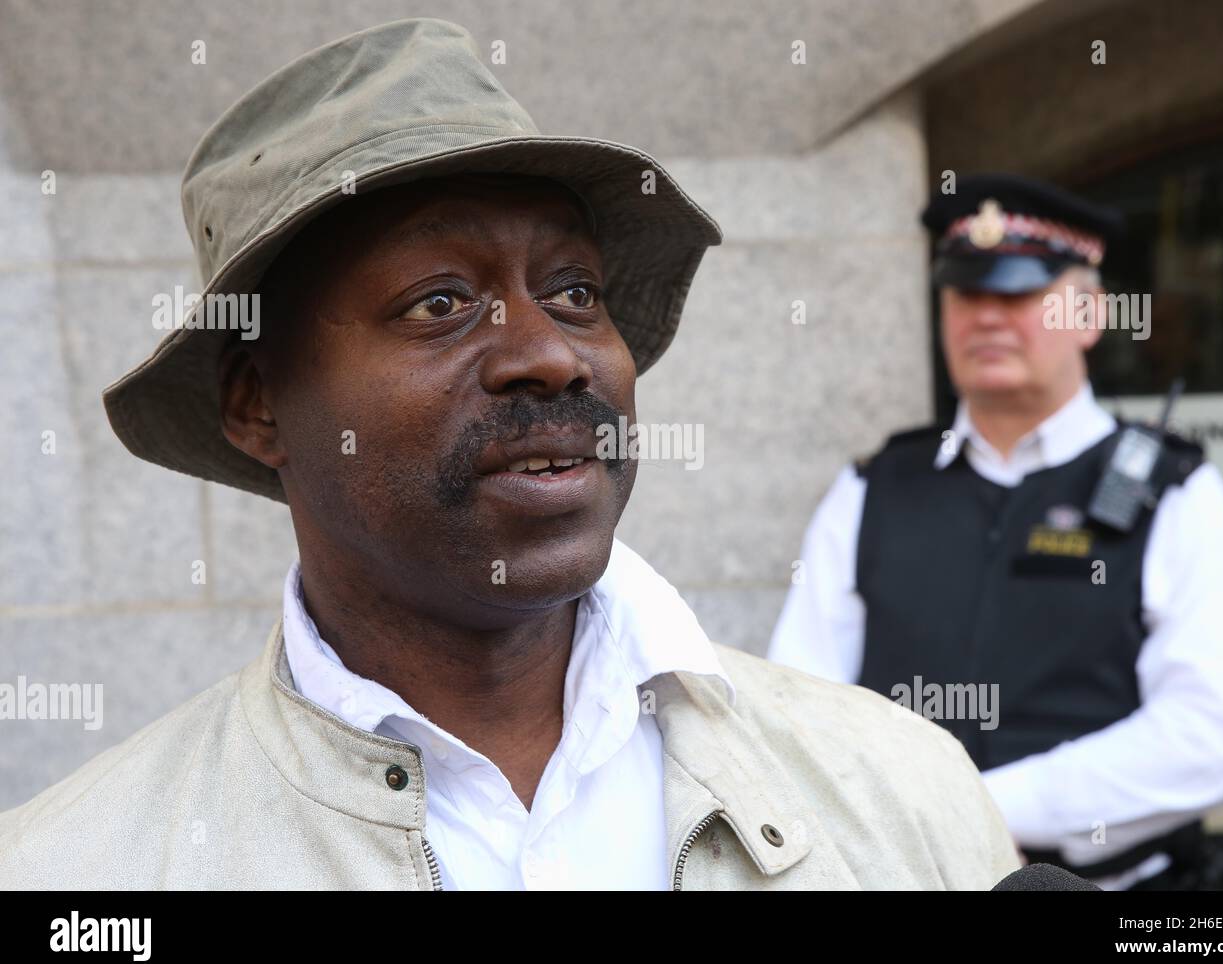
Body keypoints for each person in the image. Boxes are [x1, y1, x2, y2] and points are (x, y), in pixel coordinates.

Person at [0, 19, 1019, 890]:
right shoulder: (80, 875)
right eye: (439, 303)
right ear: (256, 400)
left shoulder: (905, 796)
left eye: (576, 291)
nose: (548, 354)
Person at [768, 173, 1223, 889]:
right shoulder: (873, 488)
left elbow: (1208, 737)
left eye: (1021, 294)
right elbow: (798, 706)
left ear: (1090, 314)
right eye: (969, 293)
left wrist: (982, 808)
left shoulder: (1177, 492)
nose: (989, 317)